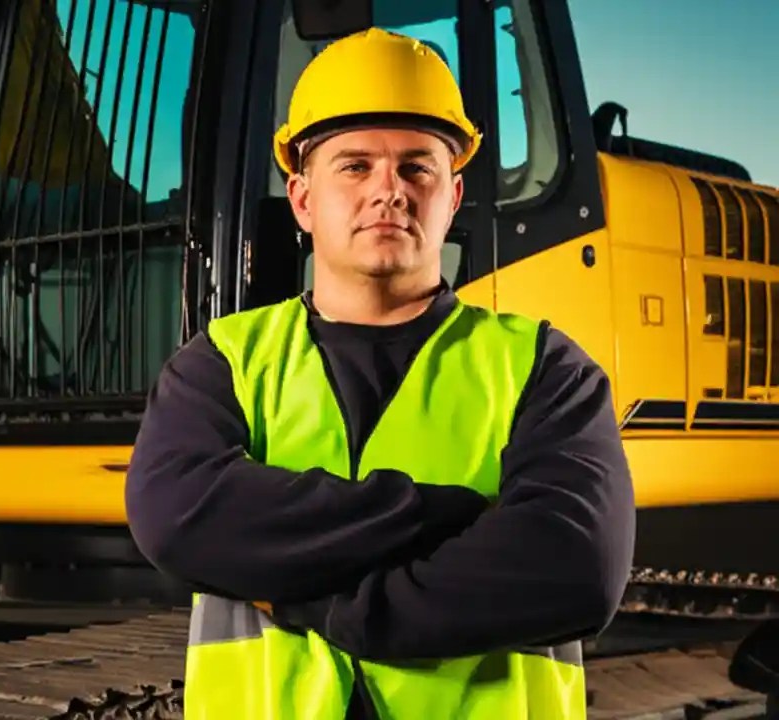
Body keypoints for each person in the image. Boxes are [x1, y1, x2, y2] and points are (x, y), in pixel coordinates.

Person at [123, 26, 636, 720]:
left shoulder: (544, 369)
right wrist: (450, 515)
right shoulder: (223, 362)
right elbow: (176, 518)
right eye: (356, 166)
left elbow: (575, 571)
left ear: (452, 198)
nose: (388, 190)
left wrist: (323, 605)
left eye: (417, 167)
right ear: (303, 201)